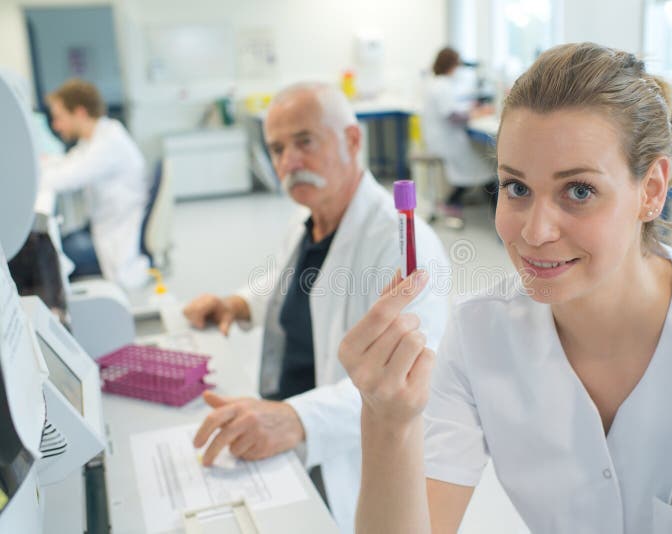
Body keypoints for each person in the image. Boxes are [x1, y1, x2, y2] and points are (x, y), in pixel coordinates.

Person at [340, 42, 672, 533]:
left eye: (579, 191)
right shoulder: (479, 332)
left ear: (651, 189)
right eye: (516, 187)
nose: (536, 232)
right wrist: (389, 424)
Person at [182, 83, 450, 533]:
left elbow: (410, 382)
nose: (288, 162)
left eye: (304, 141)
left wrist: (296, 419)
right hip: (281, 436)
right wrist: (239, 303)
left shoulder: (402, 246)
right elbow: (293, 281)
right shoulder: (311, 218)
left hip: (340, 462)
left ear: (351, 140)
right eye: (277, 148)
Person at [40, 78, 150, 289]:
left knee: (51, 258)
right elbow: (68, 163)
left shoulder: (109, 144)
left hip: (117, 237)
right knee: (59, 244)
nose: (55, 125)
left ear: (80, 113)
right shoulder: (99, 136)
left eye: (59, 117)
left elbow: (65, 178)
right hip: (105, 226)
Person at [421, 47, 496, 225]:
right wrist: (478, 113)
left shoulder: (436, 83)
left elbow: (452, 110)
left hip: (442, 139)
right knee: (487, 169)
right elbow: (453, 116)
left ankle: (455, 202)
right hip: (448, 142)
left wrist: (471, 110)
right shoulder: (443, 85)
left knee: (481, 169)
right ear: (452, 65)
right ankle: (458, 204)